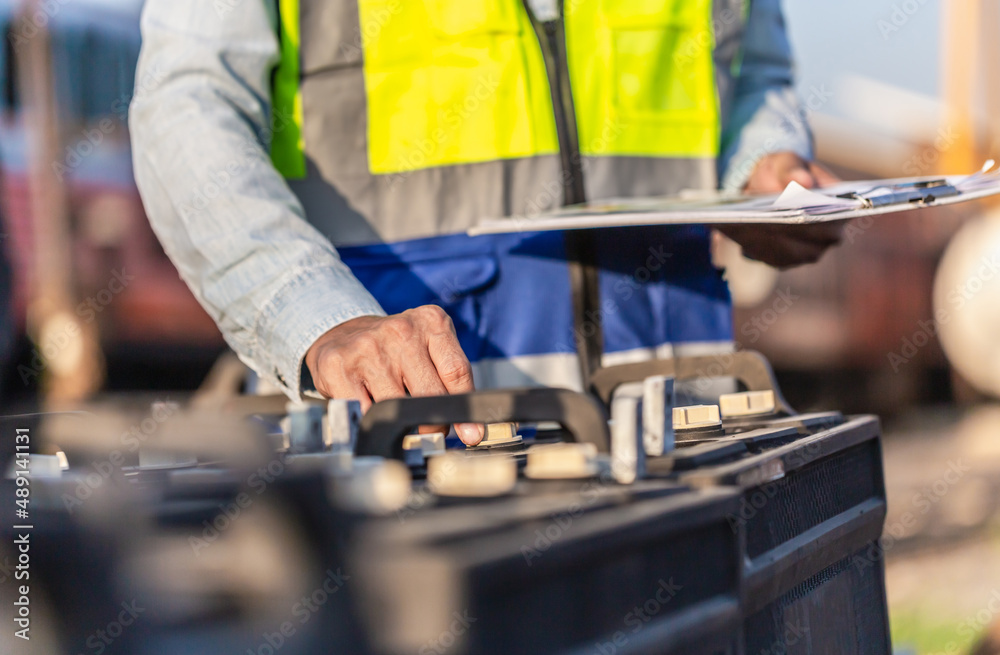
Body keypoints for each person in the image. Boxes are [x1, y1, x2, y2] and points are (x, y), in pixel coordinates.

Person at [130, 0, 843, 445]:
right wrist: (316, 317)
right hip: (414, 453)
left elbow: (750, 63)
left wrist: (764, 163)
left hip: (680, 431)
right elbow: (187, 107)